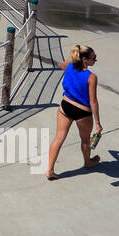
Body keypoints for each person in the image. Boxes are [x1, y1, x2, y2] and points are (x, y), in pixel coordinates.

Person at [45, 44, 102, 180]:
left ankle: (50, 170)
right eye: (93, 58)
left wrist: (72, 61)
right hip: (82, 112)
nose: (95, 60)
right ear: (84, 60)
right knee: (85, 140)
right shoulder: (91, 77)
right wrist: (98, 123)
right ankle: (87, 162)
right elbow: (93, 101)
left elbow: (61, 66)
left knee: (58, 139)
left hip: (65, 106)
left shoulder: (70, 65)